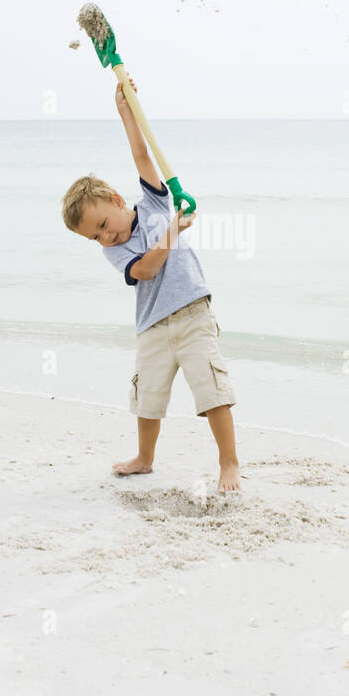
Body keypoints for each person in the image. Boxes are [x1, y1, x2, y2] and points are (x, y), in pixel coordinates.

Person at [61, 76, 240, 493]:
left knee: (212, 390)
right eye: (95, 236)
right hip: (153, 326)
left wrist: (127, 111)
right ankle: (144, 458)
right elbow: (146, 270)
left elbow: (141, 154)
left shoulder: (157, 202)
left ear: (119, 201)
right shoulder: (116, 252)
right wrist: (173, 232)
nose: (105, 237)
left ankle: (228, 464)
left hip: (194, 313)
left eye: (104, 224)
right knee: (148, 398)